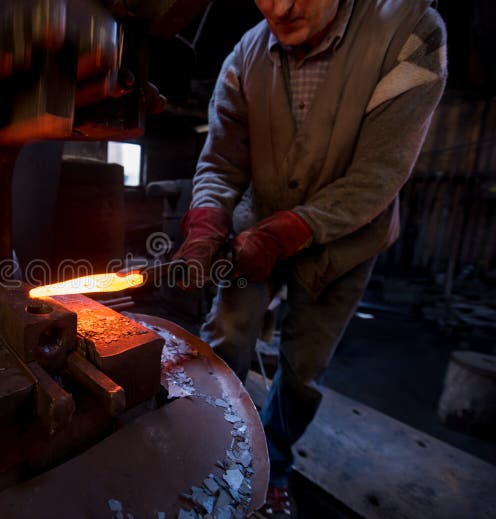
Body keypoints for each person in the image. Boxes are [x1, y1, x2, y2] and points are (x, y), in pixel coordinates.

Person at [172, 0, 447, 516]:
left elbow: (381, 173)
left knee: (302, 370)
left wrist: (292, 230)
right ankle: (211, 445)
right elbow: (222, 161)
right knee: (227, 339)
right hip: (253, 231)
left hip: (346, 243)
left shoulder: (410, 33)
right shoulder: (244, 56)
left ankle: (273, 458)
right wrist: (207, 221)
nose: (281, 6)